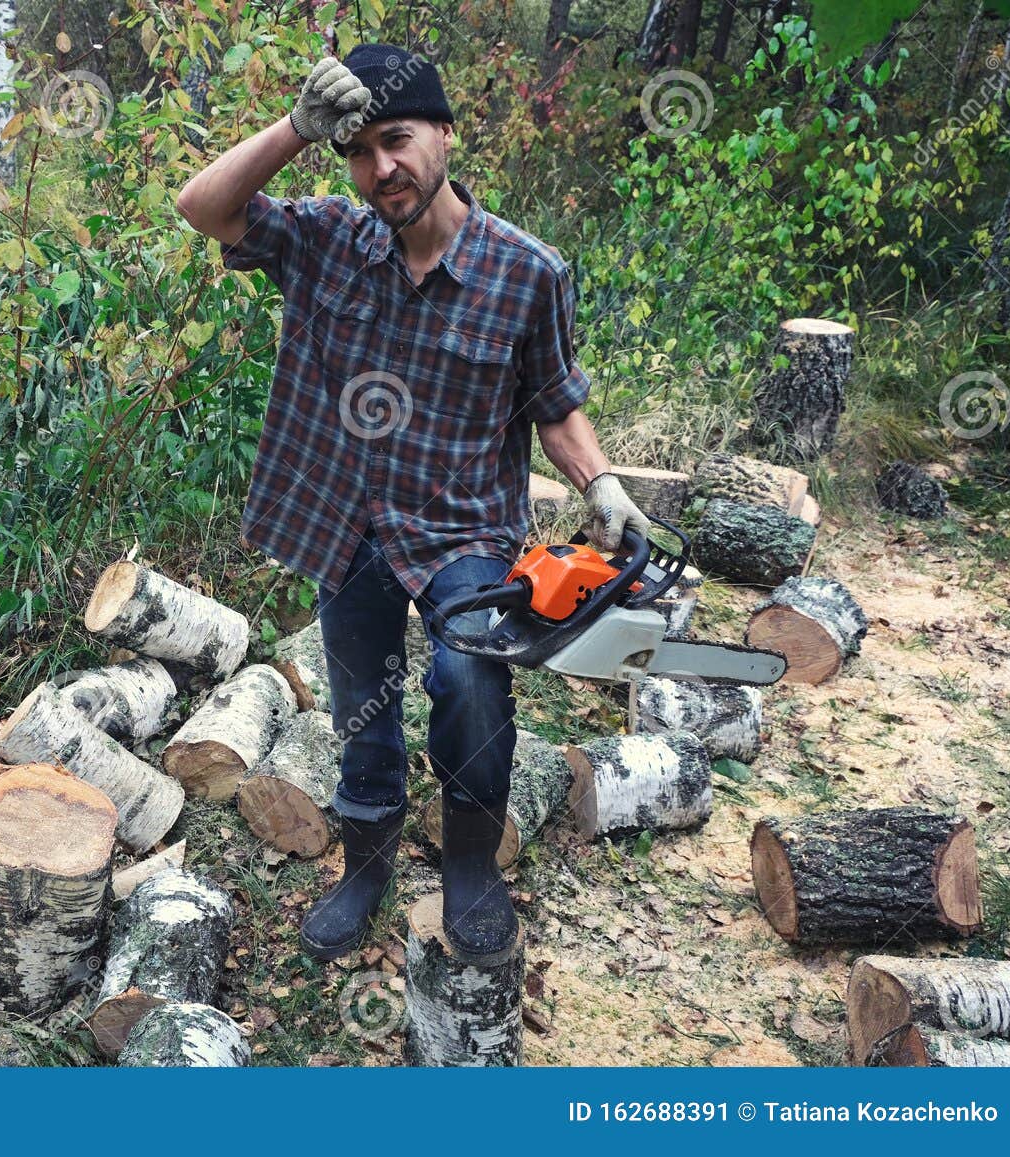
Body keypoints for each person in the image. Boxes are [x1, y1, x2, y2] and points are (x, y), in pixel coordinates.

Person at [175, 46, 650, 963]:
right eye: (358, 151)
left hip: (462, 527)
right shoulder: (327, 239)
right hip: (349, 524)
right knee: (362, 704)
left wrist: (601, 482)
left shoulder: (528, 272)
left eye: (396, 140)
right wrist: (296, 128)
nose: (380, 167)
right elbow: (204, 207)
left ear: (444, 134)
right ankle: (365, 868)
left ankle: (471, 865)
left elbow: (555, 405)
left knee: (470, 683)